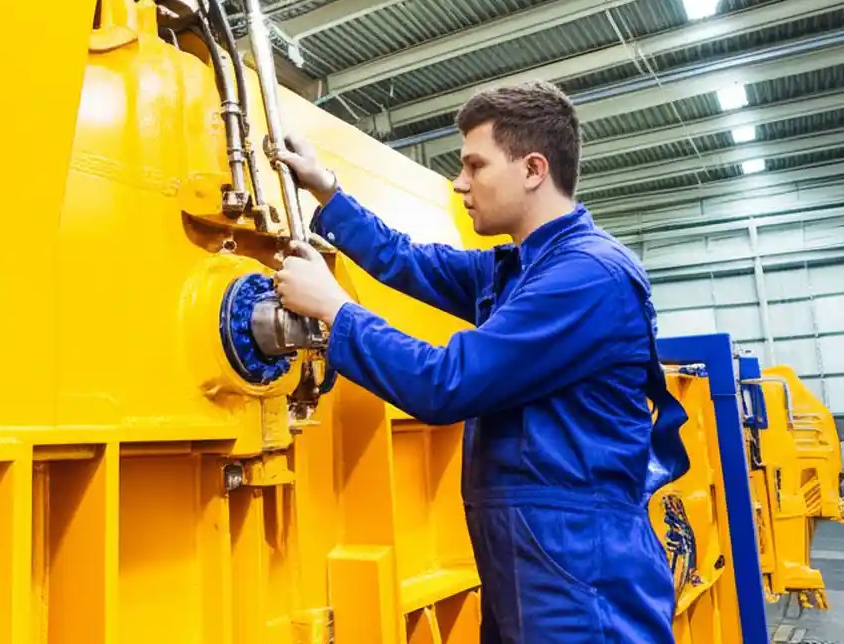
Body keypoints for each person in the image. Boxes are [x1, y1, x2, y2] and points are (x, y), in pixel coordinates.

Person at [272, 81, 688, 644]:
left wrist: (334, 310)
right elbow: (409, 262)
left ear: (533, 169)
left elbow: (447, 383)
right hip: (528, 559)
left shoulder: (585, 277)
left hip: (580, 568)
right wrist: (327, 193)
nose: (460, 183)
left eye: (474, 164)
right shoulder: (519, 269)